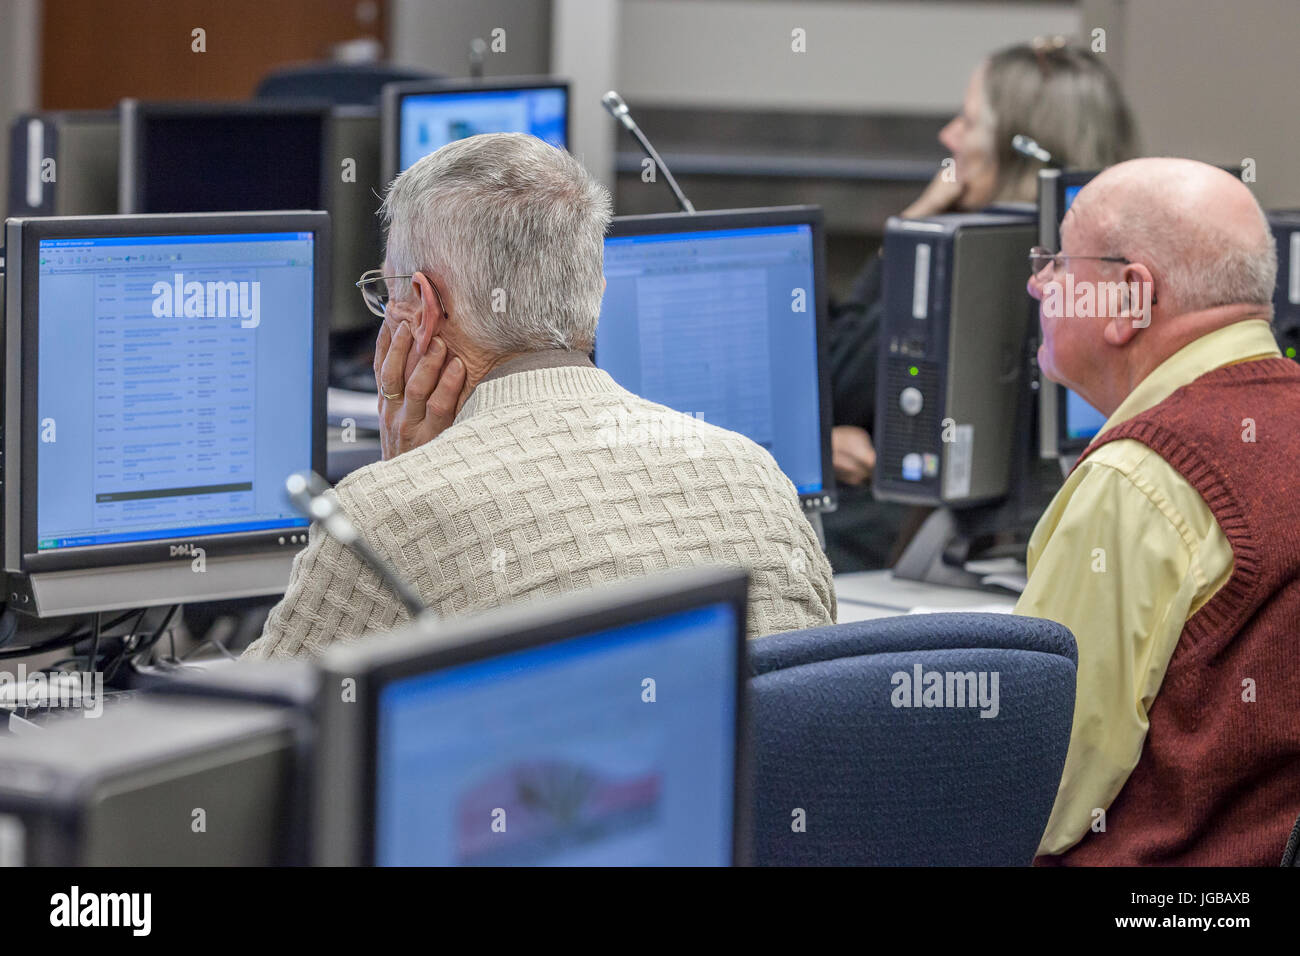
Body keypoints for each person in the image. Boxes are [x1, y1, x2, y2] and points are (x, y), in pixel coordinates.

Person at [242, 133, 835, 660]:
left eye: (388, 292)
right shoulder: (757, 474)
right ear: (597, 288)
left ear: (423, 308)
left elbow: (256, 741)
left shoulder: (381, 516)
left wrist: (405, 485)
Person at [1019, 158, 1299, 865]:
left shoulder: (1140, 481)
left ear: (1130, 299)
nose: (1037, 282)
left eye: (1058, 261)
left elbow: (1033, 796)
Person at [824, 37, 1139, 571]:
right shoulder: (1125, 251)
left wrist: (911, 229)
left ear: (1022, 148)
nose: (949, 135)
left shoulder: (968, 260)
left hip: (928, 537)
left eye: (969, 123)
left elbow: (837, 375)